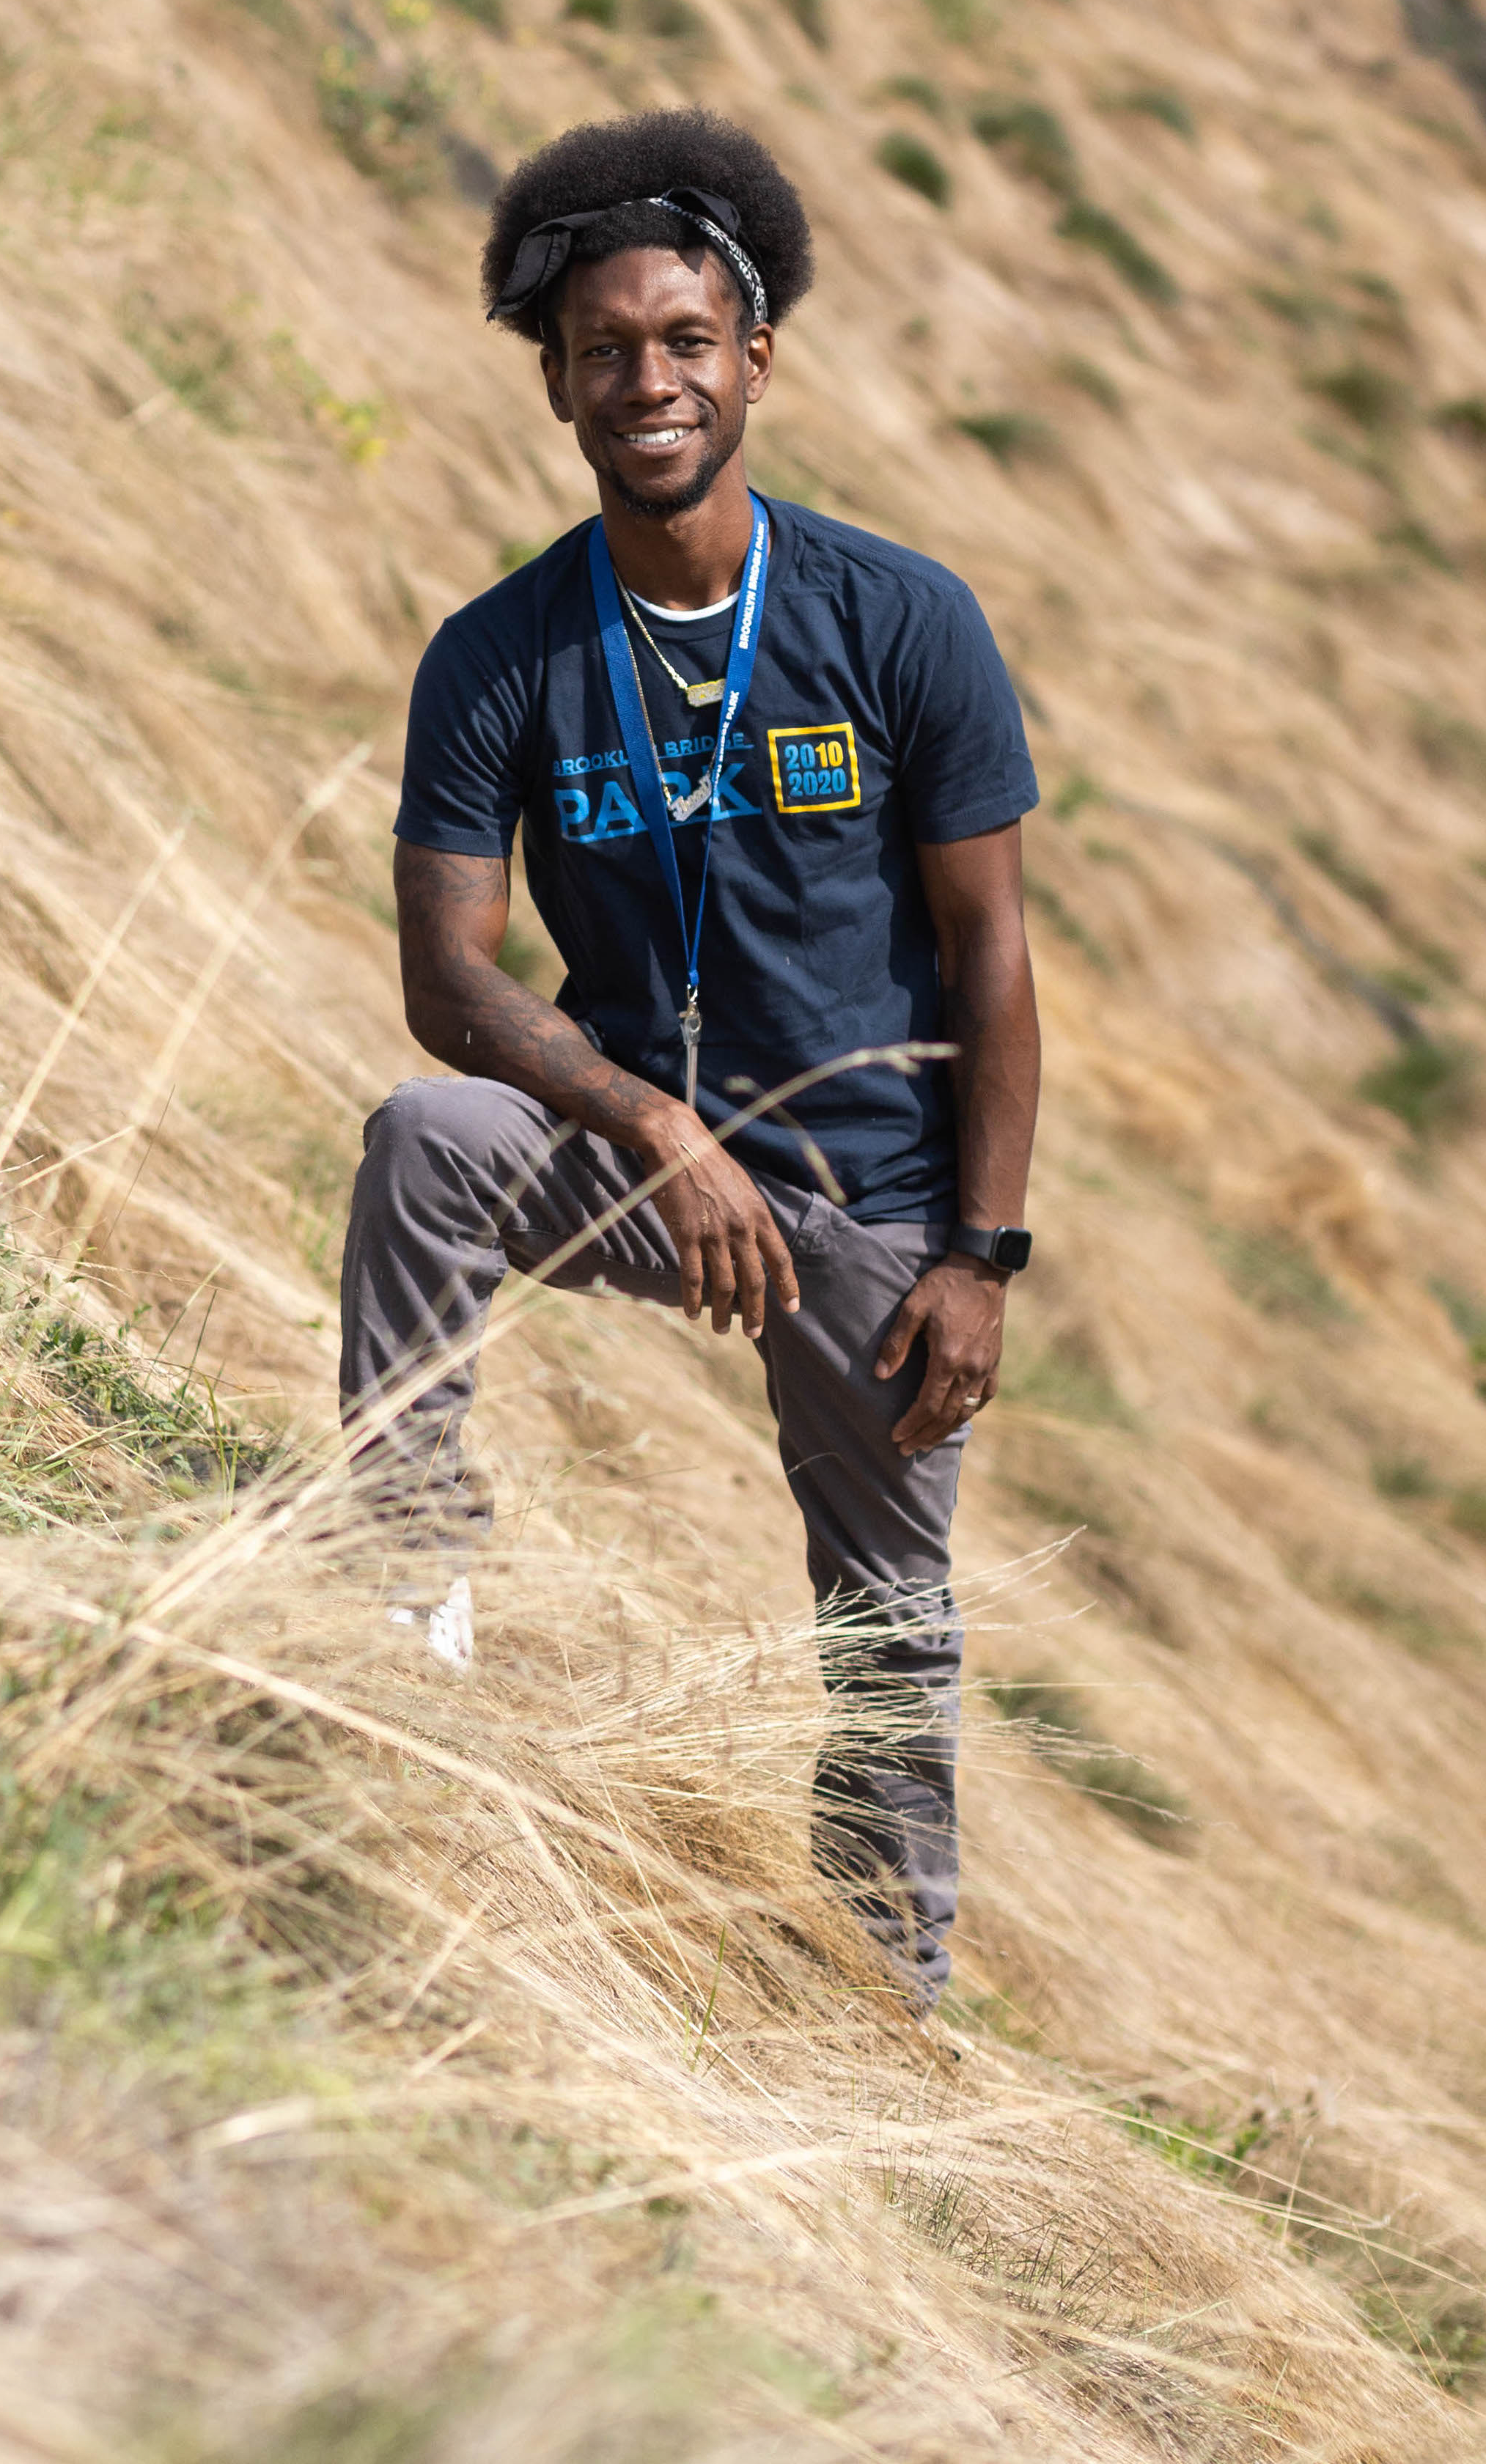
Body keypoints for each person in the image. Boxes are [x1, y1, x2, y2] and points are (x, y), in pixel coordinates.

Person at [342, 107, 1041, 2009]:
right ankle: (402, 1613)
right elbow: (446, 979)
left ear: (755, 358)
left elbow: (991, 952)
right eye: (605, 350)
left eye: (683, 340)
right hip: (646, 1167)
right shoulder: (498, 655)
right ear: (557, 385)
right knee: (430, 1135)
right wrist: (653, 1122)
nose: (647, 380)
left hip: (873, 1205)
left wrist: (982, 1258)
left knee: (890, 1629)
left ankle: (885, 1989)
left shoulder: (902, 621)